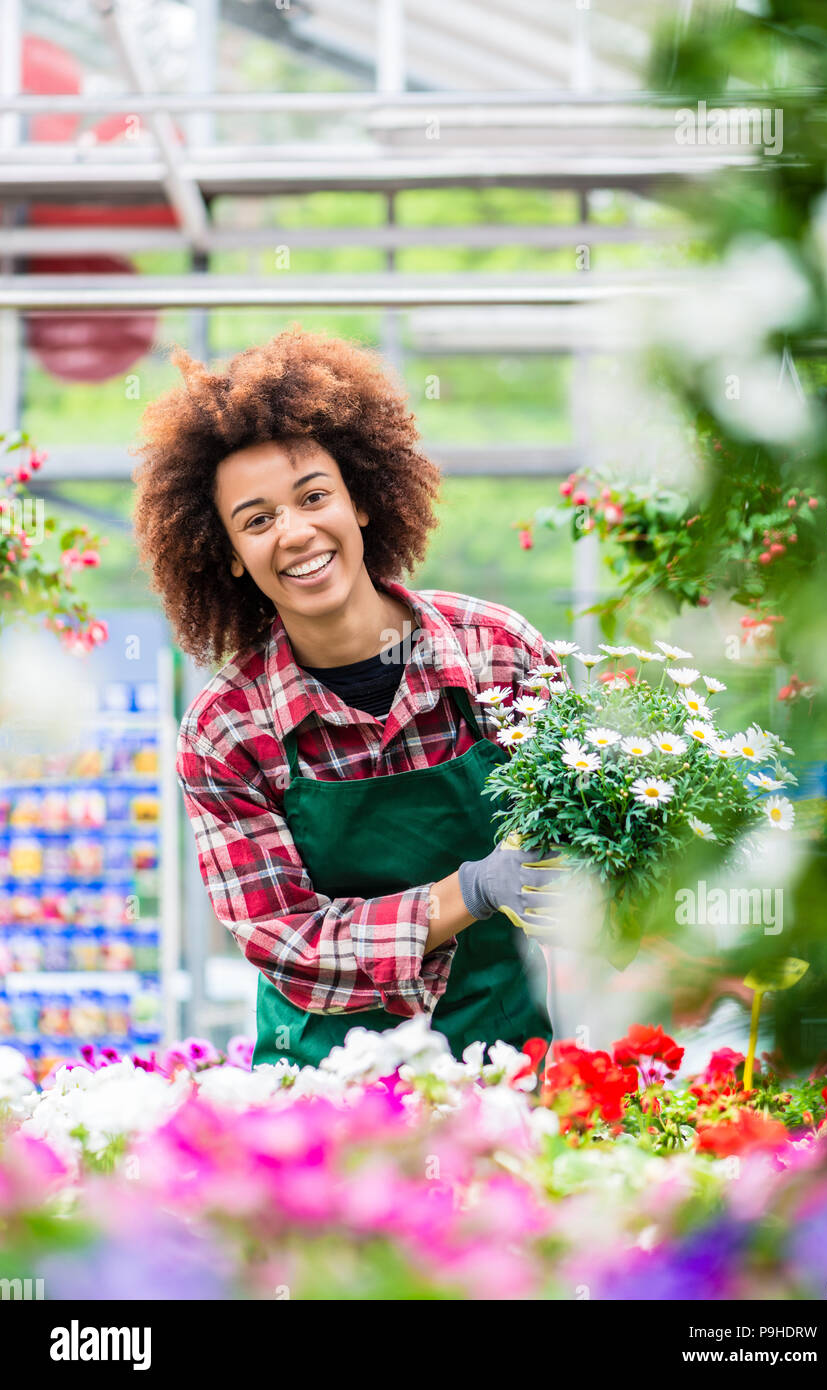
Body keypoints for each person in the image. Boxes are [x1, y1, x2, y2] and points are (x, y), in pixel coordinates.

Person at [132, 324, 572, 1068]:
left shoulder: (497, 652)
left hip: (506, 1066)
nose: (296, 533)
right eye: (258, 520)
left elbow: (581, 842)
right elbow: (287, 943)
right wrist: (473, 890)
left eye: (313, 497)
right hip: (322, 1092)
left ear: (361, 502)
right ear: (231, 557)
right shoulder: (226, 730)